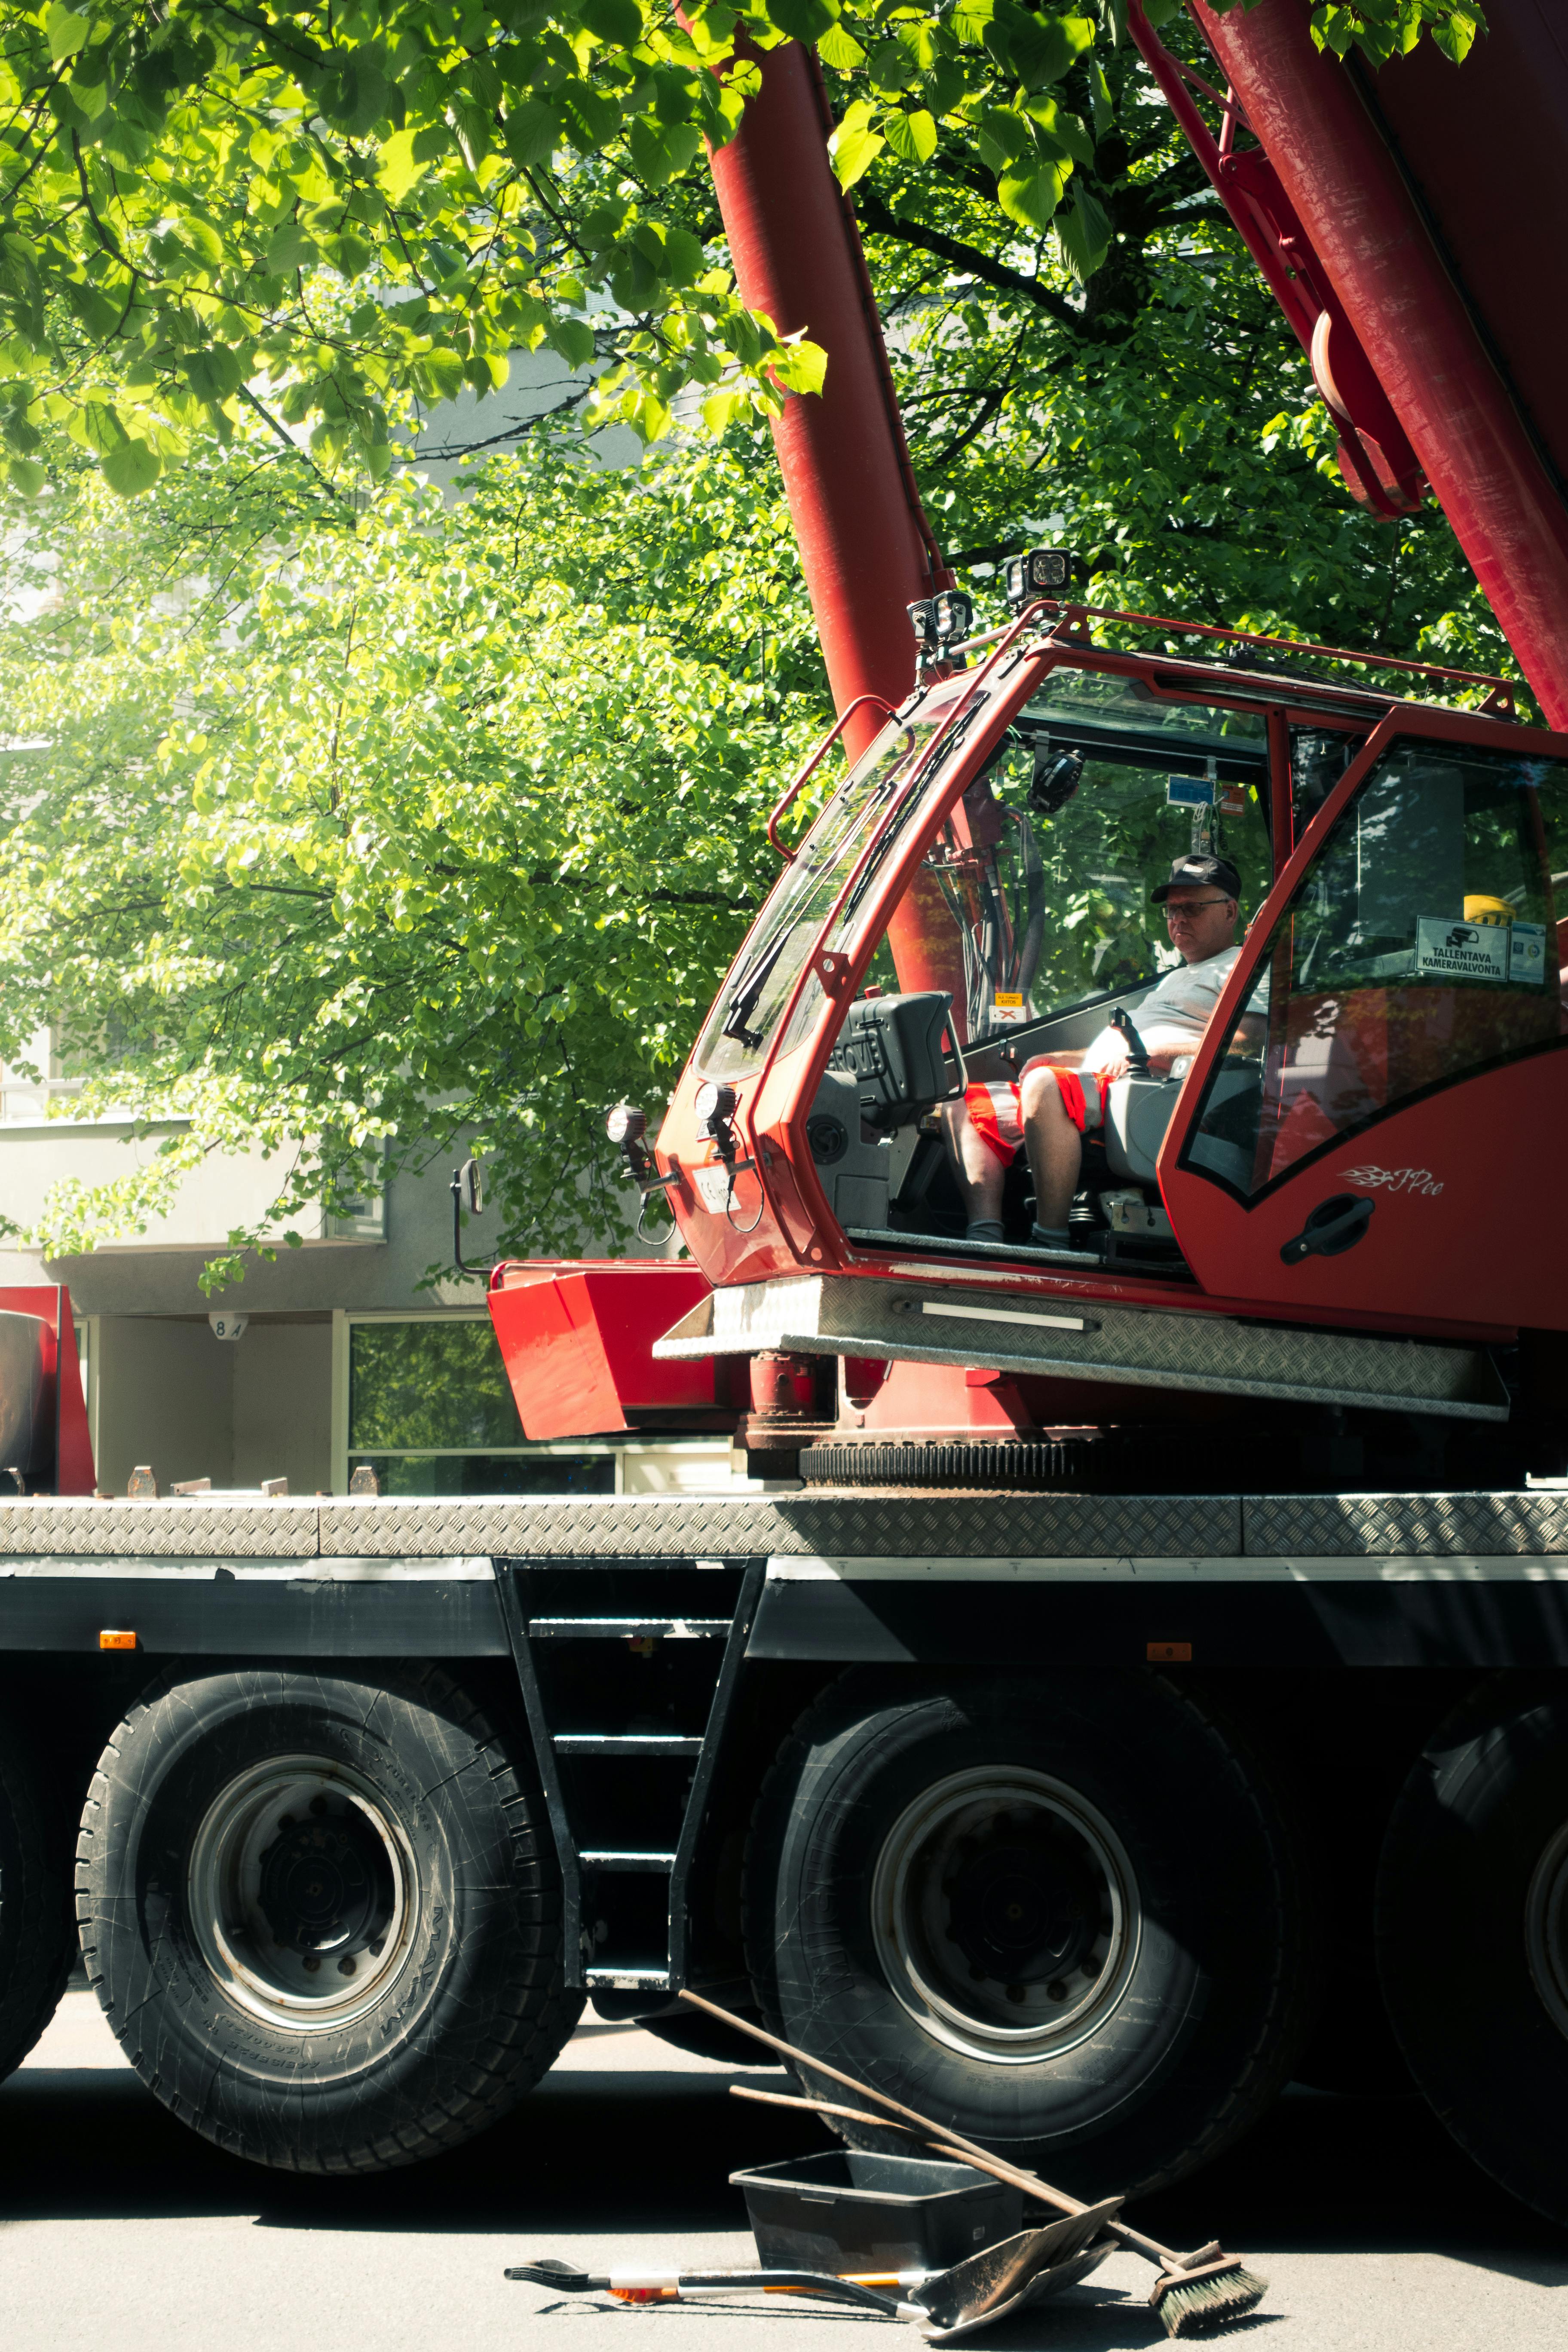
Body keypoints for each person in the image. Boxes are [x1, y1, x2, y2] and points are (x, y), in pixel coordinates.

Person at [944, 854, 1250, 1250]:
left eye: (1191, 908)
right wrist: (1066, 1059)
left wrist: (1149, 1054)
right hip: (1107, 1082)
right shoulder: (1177, 976)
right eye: (1172, 910)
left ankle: (1049, 1239)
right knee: (962, 1103)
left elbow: (1250, 1044)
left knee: (1044, 1086)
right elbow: (1125, 1042)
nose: (1178, 919)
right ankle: (984, 1237)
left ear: (1230, 911)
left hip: (1159, 1095)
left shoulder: (1244, 967)